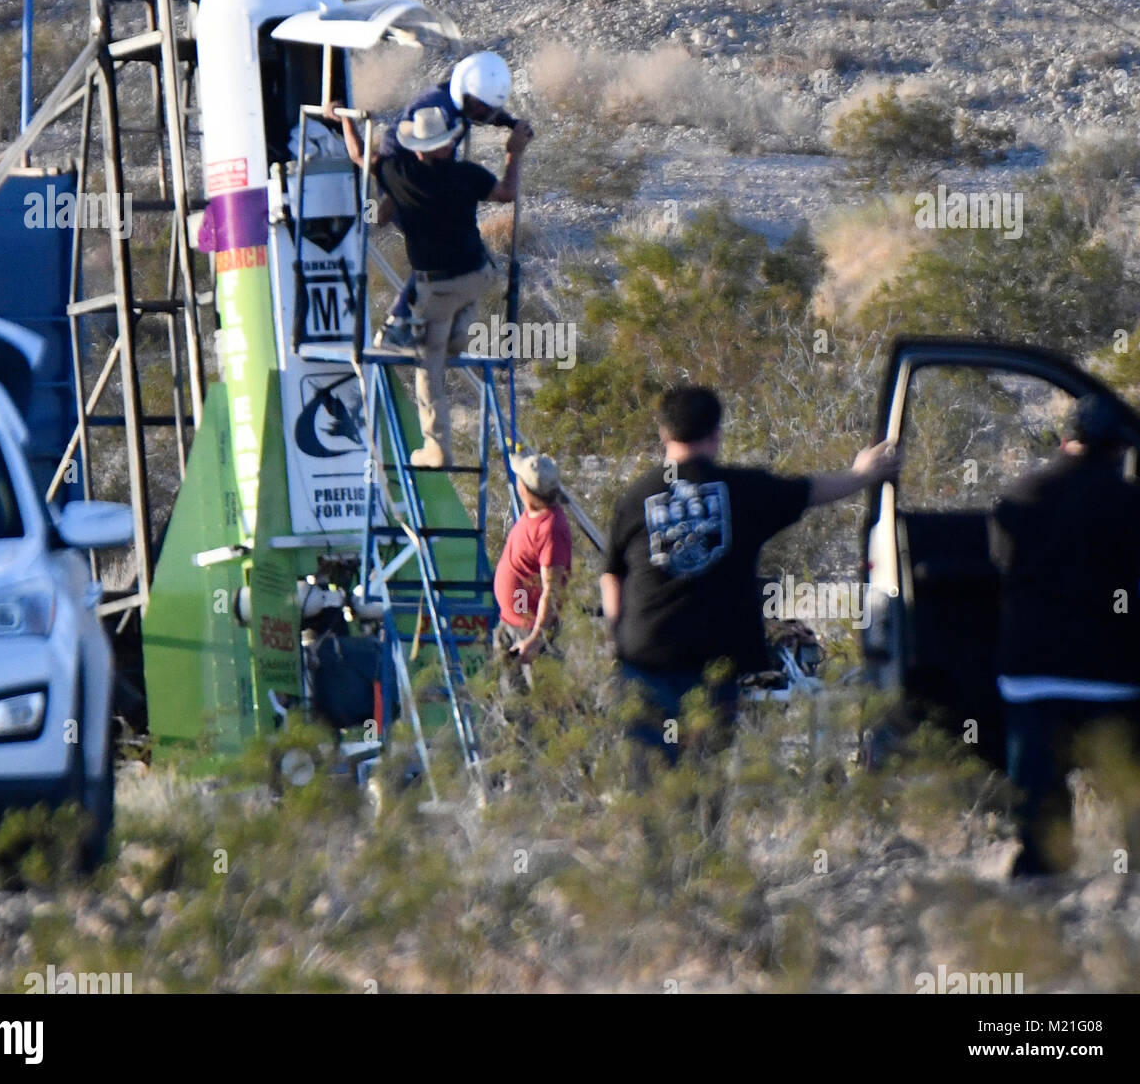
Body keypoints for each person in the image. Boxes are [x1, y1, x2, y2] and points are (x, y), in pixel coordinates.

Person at [600, 384, 899, 765]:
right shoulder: (744, 490)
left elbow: (611, 574)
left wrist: (617, 634)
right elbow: (810, 490)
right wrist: (861, 475)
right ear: (717, 434)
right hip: (714, 662)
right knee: (705, 774)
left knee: (651, 776)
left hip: (644, 656)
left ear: (664, 433)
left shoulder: (634, 496)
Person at [989, 393, 1140, 877]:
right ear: (1121, 450)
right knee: (1135, 800)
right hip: (1111, 678)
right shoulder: (1134, 504)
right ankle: (1136, 885)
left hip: (1031, 676)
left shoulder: (1015, 498)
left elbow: (1001, 565)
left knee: (1039, 809)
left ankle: (1040, 900)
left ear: (1064, 441)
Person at [326, 99, 524, 468]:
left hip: (438, 288)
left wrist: (344, 122)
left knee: (427, 366)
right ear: (450, 143)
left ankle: (437, 448)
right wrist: (514, 152)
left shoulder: (399, 173)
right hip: (478, 274)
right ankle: (459, 335)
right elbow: (506, 193)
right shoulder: (468, 174)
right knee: (457, 320)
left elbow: (359, 155)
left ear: (417, 148)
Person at [373, 51, 534, 349]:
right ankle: (399, 323)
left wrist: (510, 123)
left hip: (423, 172)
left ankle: (436, 327)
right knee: (440, 246)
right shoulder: (439, 113)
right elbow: (409, 160)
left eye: (488, 109)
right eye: (481, 108)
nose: (484, 115)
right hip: (403, 176)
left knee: (452, 250)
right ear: (466, 95)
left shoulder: (460, 97)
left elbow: (484, 111)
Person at [493, 452, 572, 690]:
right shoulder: (533, 513)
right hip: (512, 623)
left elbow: (553, 588)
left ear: (524, 489)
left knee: (539, 707)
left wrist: (536, 638)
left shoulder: (551, 529)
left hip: (528, 631)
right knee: (513, 706)